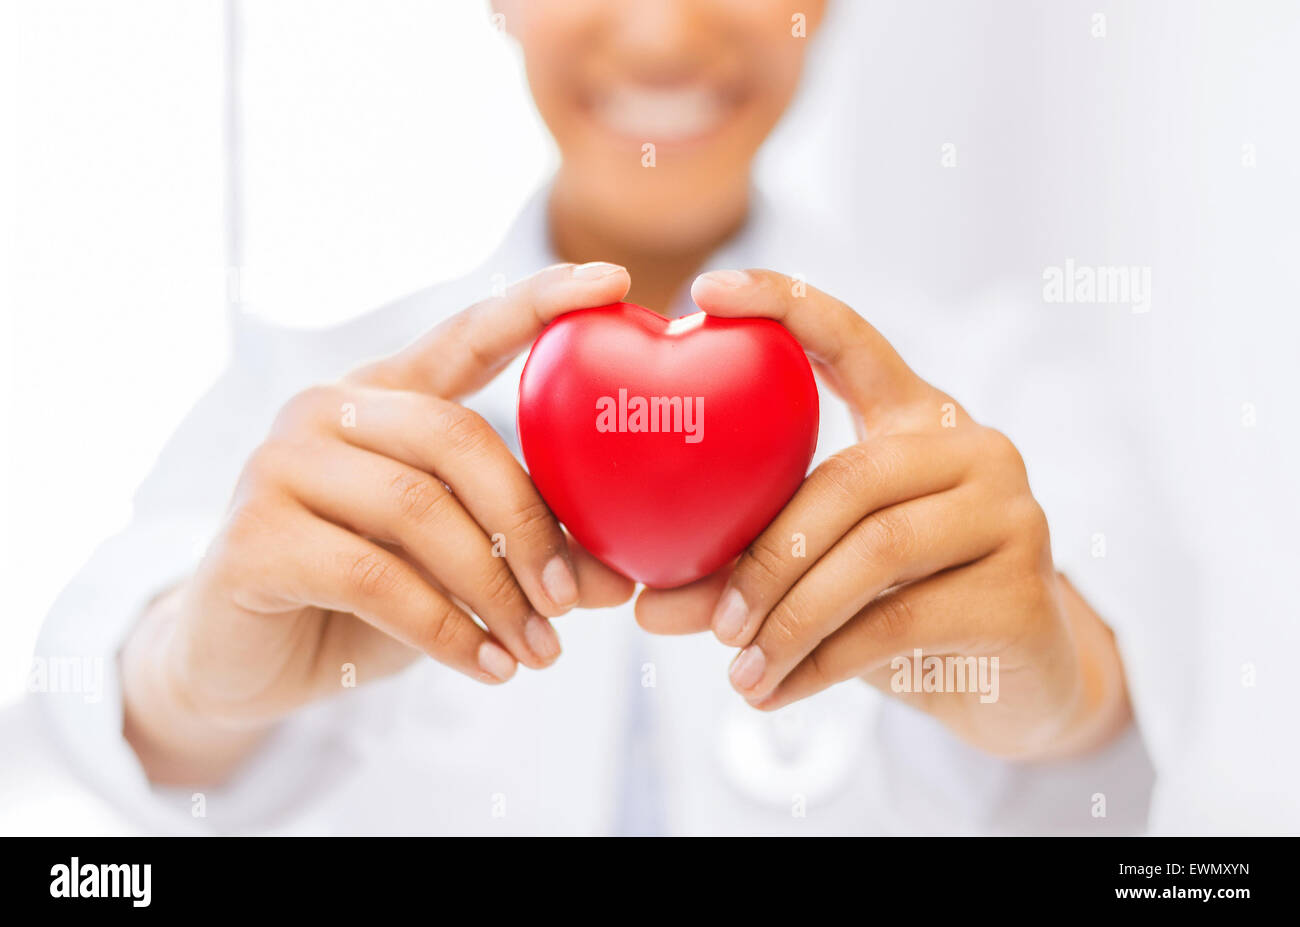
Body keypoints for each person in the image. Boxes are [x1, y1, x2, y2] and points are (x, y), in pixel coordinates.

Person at [35, 0, 1154, 835]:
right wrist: (186, 678)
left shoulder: (1004, 382)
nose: (663, 32)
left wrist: (1065, 695)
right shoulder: (314, 397)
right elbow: (83, 712)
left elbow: (1163, 736)